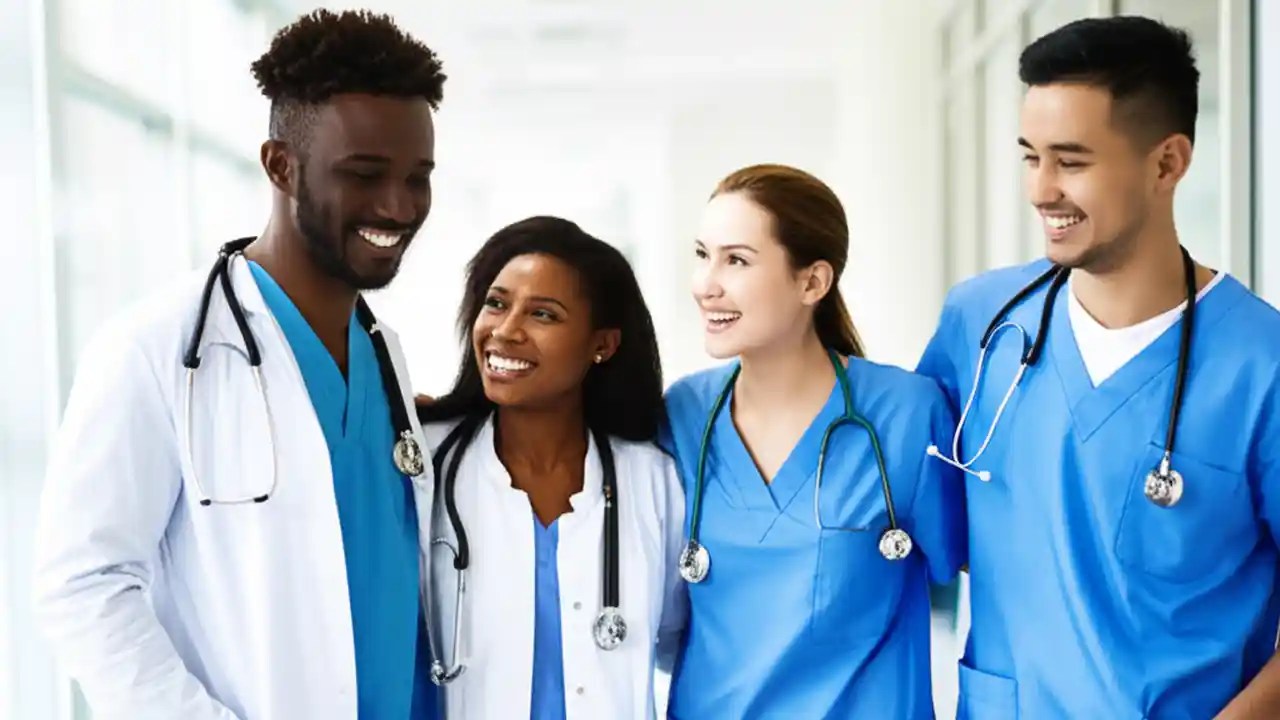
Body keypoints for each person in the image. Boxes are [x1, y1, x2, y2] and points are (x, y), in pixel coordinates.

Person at [32, 10, 446, 719]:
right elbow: (82, 584)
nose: (398, 205)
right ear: (280, 165)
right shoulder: (155, 351)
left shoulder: (382, 353)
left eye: (418, 176)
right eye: (365, 174)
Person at [917, 16, 1280, 719]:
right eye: (1030, 157)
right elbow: (914, 526)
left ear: (1167, 163)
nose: (1040, 189)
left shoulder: (1261, 365)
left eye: (1071, 161)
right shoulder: (983, 324)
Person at [660, 164, 965, 718]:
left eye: (737, 260)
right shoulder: (683, 415)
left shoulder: (905, 416)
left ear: (812, 283)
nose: (705, 284)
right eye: (702, 255)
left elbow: (992, 575)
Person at [415, 216, 686, 719]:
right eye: (496, 303)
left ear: (602, 344)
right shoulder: (425, 465)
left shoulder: (652, 481)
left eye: (543, 314)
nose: (506, 330)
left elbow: (675, 639)